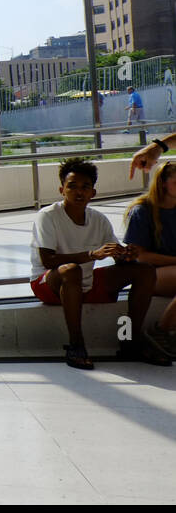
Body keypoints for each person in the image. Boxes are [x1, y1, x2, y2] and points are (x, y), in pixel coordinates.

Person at [30, 157, 170, 370]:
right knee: (71, 270)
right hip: (51, 284)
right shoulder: (47, 216)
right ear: (62, 190)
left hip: (84, 282)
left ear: (93, 193)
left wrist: (126, 254)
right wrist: (92, 254)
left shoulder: (98, 219)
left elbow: (115, 255)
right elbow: (47, 260)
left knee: (144, 272)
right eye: (72, 186)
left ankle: (130, 342)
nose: (79, 192)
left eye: (85, 187)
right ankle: (76, 345)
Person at [121, 161, 176, 357]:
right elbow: (140, 256)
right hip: (147, 275)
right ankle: (160, 330)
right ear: (162, 183)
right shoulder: (143, 211)